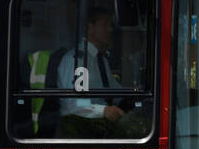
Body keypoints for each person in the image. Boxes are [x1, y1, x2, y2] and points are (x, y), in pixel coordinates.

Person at [56, 7, 149, 139]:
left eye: (110, 25)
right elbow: (74, 103)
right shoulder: (78, 60)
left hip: (100, 122)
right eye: (105, 24)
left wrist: (137, 96)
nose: (109, 29)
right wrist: (103, 111)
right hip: (81, 127)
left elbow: (115, 90)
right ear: (90, 28)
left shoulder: (101, 59)